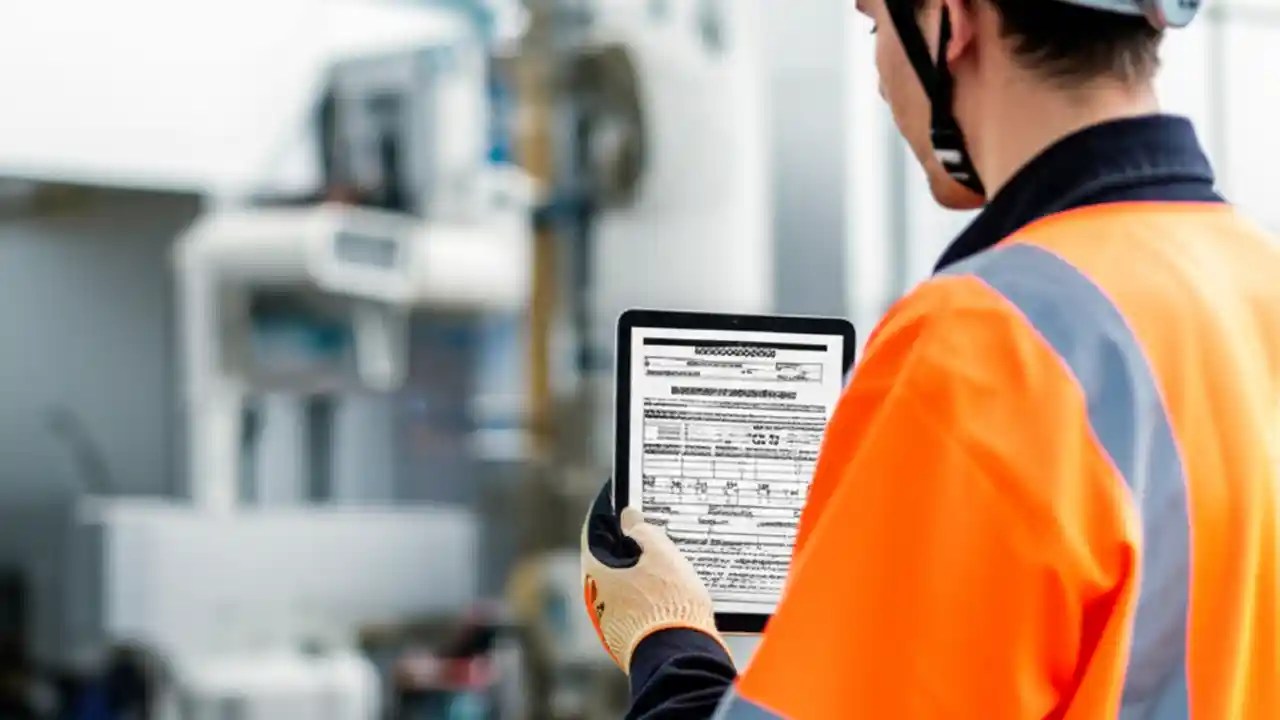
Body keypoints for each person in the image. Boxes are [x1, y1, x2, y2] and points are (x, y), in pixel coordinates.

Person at [581, 0, 1280, 717]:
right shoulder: (1257, 281)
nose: (881, 73)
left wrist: (667, 636)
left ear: (951, 22)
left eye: (876, 25)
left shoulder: (984, 343)